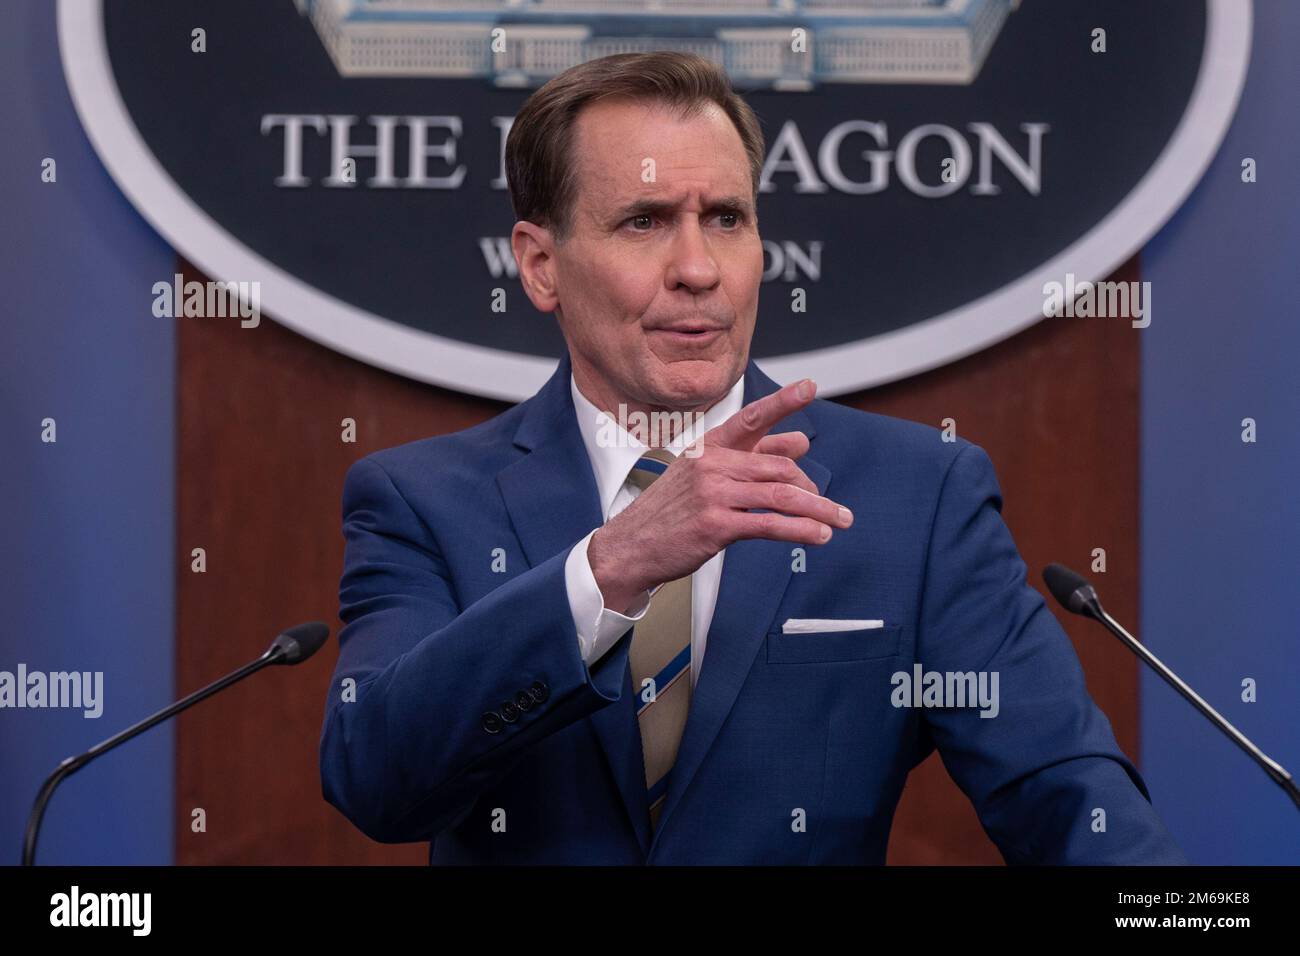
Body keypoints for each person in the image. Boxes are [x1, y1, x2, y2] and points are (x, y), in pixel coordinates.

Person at [318, 51, 1187, 864]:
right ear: (541, 266)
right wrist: (610, 567)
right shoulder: (419, 500)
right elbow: (378, 781)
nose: (697, 268)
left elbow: (1071, 798)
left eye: (726, 219)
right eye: (645, 221)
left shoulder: (916, 498)